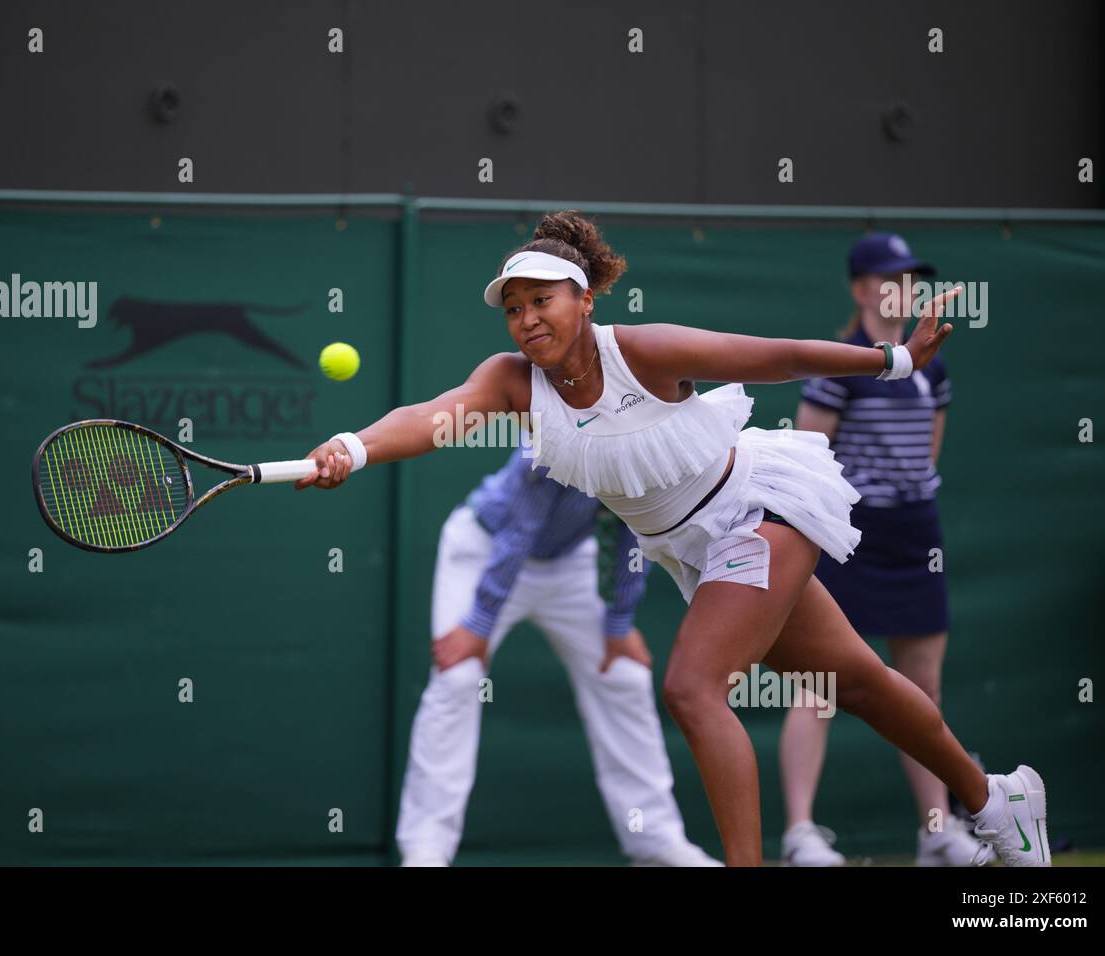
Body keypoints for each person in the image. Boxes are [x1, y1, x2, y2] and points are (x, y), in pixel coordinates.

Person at [294, 210, 1050, 868]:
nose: (527, 319)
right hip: (693, 551)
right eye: (514, 308)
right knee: (853, 680)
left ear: (584, 299)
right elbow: (433, 414)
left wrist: (891, 360)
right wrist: (352, 448)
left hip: (760, 508)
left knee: (691, 687)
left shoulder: (645, 350)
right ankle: (998, 802)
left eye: (542, 301)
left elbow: (777, 355)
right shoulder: (511, 381)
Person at [396, 448, 721, 867]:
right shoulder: (547, 448)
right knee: (457, 679)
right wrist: (478, 625)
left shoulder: (648, 447)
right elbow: (519, 531)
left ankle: (656, 842)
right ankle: (426, 850)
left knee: (623, 676)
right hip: (485, 549)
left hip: (569, 563)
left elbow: (635, 535)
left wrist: (617, 624)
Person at [777, 234, 982, 867]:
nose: (905, 287)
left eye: (911, 276)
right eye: (890, 277)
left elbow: (929, 455)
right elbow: (811, 459)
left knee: (921, 686)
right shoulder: (839, 363)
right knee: (819, 685)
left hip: (915, 536)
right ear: (861, 289)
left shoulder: (934, 366)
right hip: (848, 538)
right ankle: (802, 835)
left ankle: (936, 831)